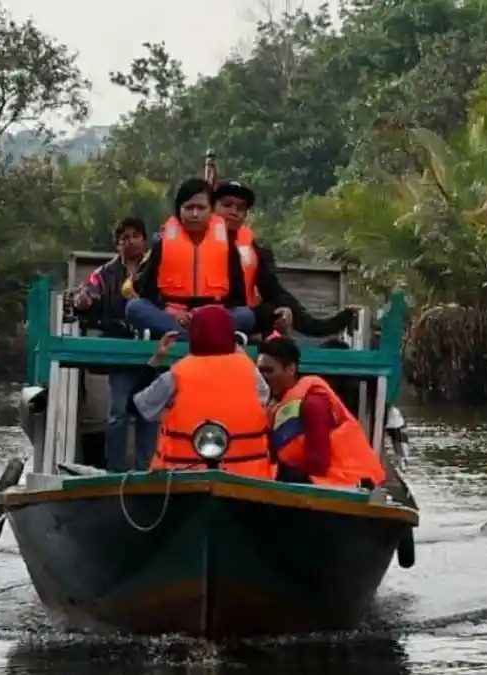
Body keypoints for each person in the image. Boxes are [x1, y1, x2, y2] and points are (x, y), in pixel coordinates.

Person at [128, 305, 273, 479]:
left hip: (182, 477)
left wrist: (156, 360)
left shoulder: (178, 373)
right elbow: (264, 400)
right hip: (249, 477)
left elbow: (135, 407)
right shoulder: (250, 370)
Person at [213, 179, 356, 339]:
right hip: (204, 316)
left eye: (240, 208)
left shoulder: (249, 245)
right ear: (213, 208)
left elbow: (272, 289)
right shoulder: (199, 240)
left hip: (242, 315)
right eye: (227, 205)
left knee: (273, 312)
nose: (234, 212)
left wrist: (286, 310)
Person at [72, 217, 157, 470]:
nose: (128, 242)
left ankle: (146, 470)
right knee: (118, 412)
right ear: (117, 244)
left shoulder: (157, 267)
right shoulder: (106, 273)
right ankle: (115, 470)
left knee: (149, 412)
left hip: (154, 348)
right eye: (123, 238)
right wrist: (83, 299)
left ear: (144, 239)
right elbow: (86, 291)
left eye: (134, 236)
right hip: (122, 348)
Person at [127, 179, 257, 338]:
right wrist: (171, 313)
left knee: (245, 315)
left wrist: (209, 314)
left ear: (211, 211)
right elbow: (147, 291)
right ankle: (196, 339)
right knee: (134, 307)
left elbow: (238, 298)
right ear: (179, 210)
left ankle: (184, 338)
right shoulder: (162, 243)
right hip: (174, 316)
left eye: (201, 208)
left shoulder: (227, 246)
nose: (195, 214)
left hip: (212, 317)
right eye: (189, 208)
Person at [257, 337, 387, 487]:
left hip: (343, 483)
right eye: (260, 371)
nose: (263, 378)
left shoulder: (313, 404)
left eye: (269, 371)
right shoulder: (275, 404)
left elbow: (318, 463)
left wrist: (274, 471)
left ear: (290, 369)